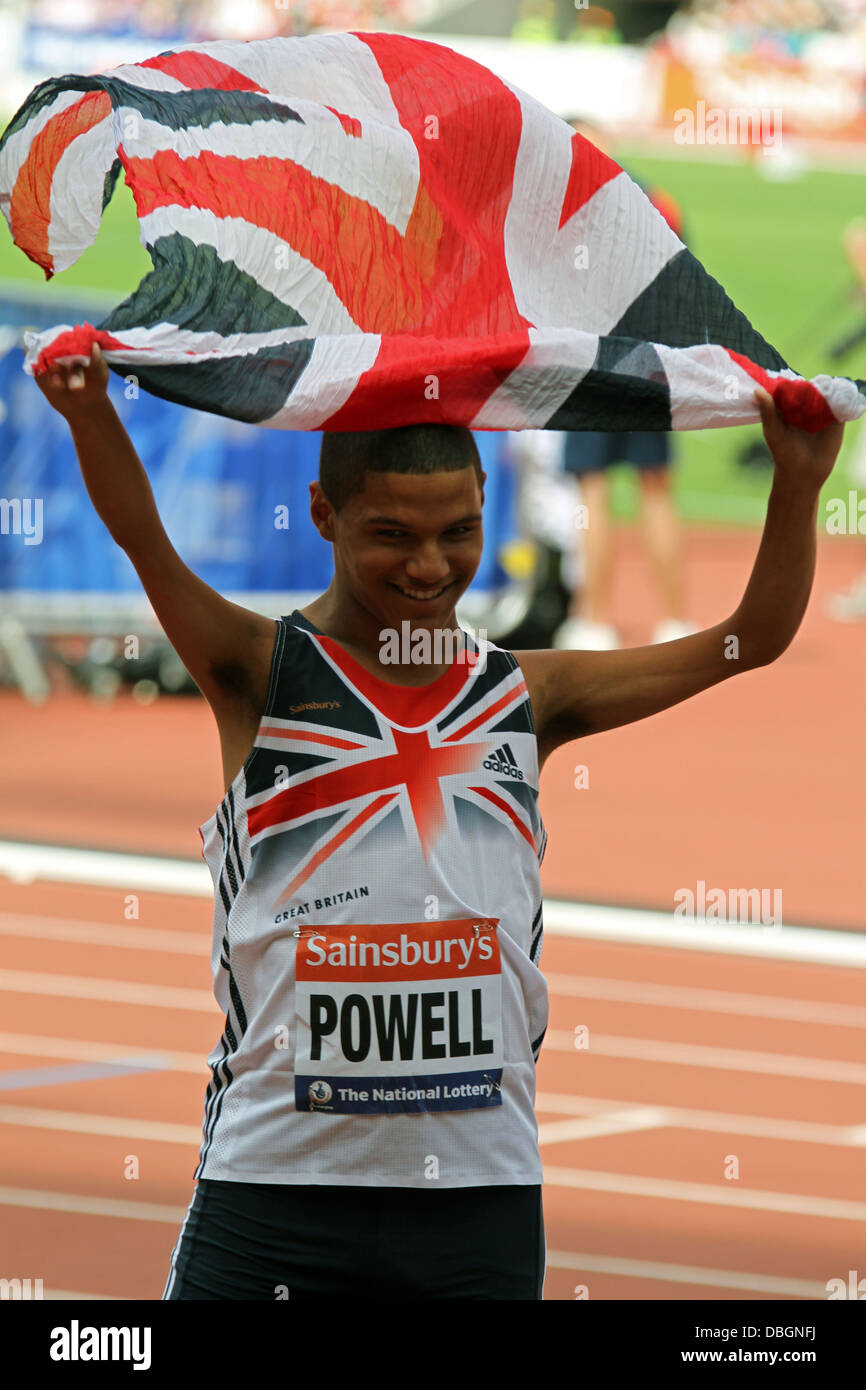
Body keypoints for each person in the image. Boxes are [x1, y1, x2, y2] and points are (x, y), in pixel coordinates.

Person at [36, 343, 843, 1300]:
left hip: (479, 1201)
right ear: (326, 515)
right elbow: (144, 541)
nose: (430, 566)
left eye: (459, 531)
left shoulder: (526, 697)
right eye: (393, 534)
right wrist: (90, 414)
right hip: (273, 1194)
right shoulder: (263, 674)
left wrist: (797, 481)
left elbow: (748, 639)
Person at [555, 117, 697, 651]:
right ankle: (676, 618)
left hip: (592, 361)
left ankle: (594, 619)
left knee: (593, 489)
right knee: (655, 487)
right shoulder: (658, 198)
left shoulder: (564, 202)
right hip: (650, 361)